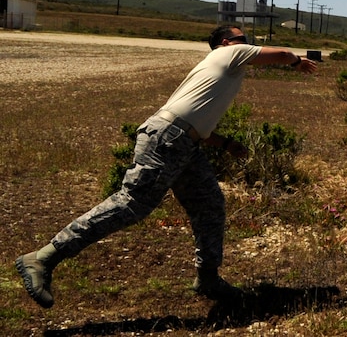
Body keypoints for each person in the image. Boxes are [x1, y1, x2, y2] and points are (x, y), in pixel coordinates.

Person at [15, 25, 317, 308]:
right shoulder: (227, 53)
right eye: (243, 39)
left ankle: (208, 279)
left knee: (210, 205)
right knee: (131, 204)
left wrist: (225, 144)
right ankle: (43, 258)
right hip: (169, 139)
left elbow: (194, 120)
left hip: (183, 142)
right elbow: (280, 54)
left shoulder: (223, 70)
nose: (248, 43)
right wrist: (296, 61)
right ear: (226, 43)